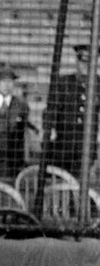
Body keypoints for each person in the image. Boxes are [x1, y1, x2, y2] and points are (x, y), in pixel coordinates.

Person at [44, 43, 99, 177]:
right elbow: (50, 110)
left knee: (83, 183)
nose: (85, 66)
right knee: (60, 182)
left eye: (89, 62)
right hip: (63, 143)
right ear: (77, 62)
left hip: (87, 146)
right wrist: (49, 129)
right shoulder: (63, 83)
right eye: (82, 61)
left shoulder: (98, 84)